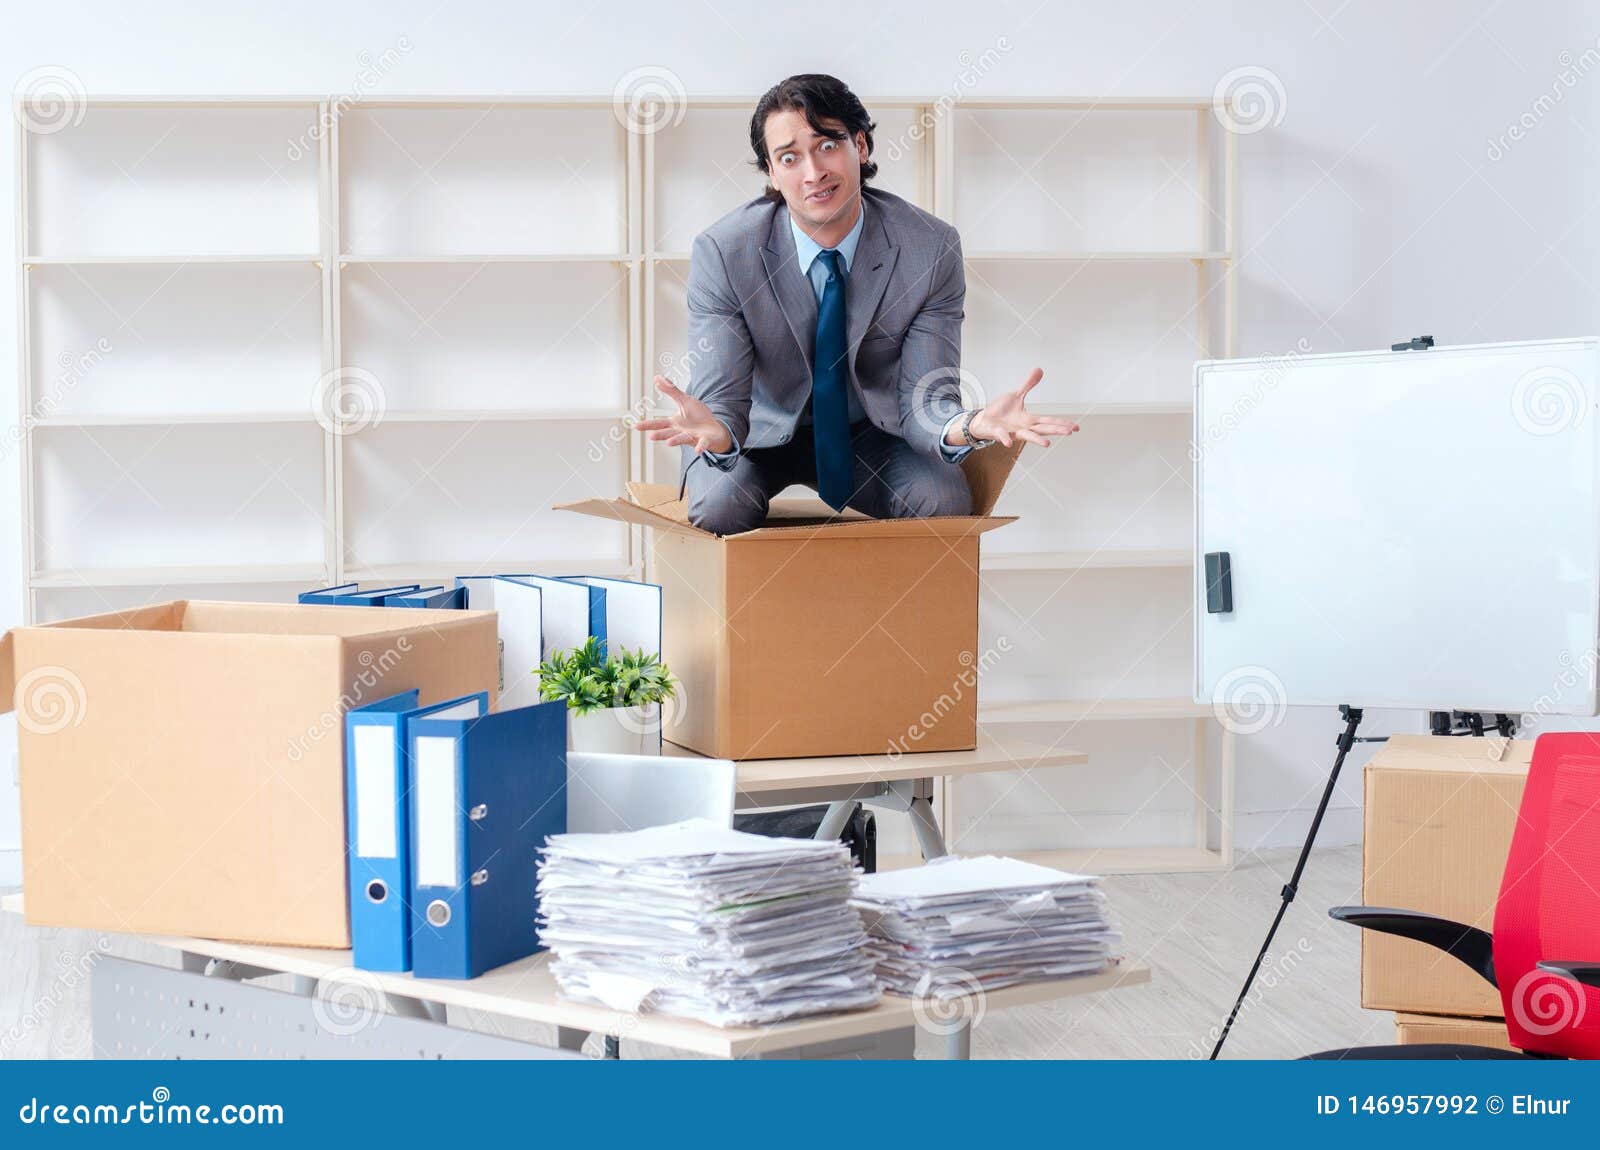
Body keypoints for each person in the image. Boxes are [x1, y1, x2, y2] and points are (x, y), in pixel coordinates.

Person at [636, 73, 1079, 535]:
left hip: (869, 433)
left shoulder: (930, 249)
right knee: (720, 503)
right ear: (771, 172)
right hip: (754, 433)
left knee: (943, 498)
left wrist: (972, 425)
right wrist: (718, 433)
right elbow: (723, 401)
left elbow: (927, 399)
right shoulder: (725, 252)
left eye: (827, 145)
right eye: (789, 157)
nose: (813, 173)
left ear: (861, 146)